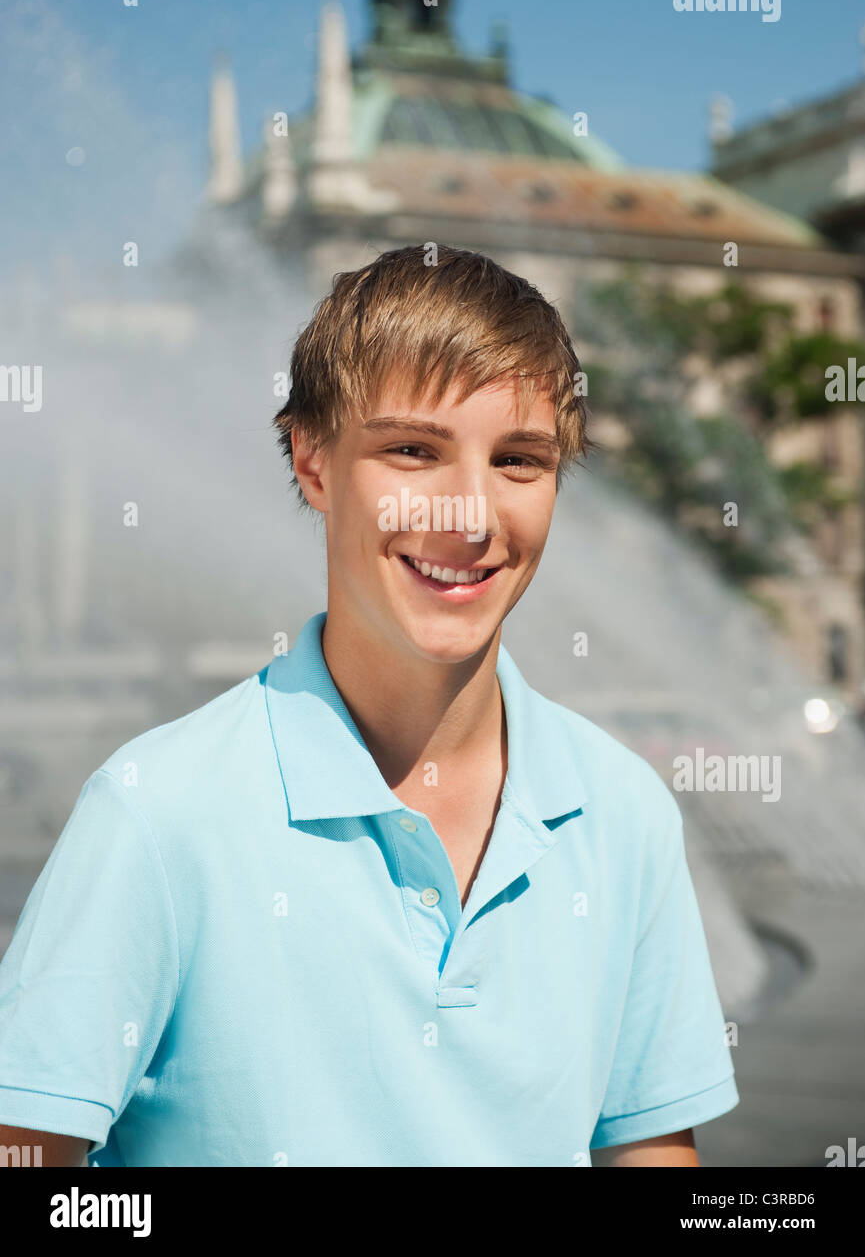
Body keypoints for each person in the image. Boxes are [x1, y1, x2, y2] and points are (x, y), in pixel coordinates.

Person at [0, 244, 737, 1166]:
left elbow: (652, 1152)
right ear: (311, 459)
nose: (469, 517)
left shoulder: (623, 812)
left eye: (518, 460)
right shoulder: (157, 814)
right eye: (412, 451)